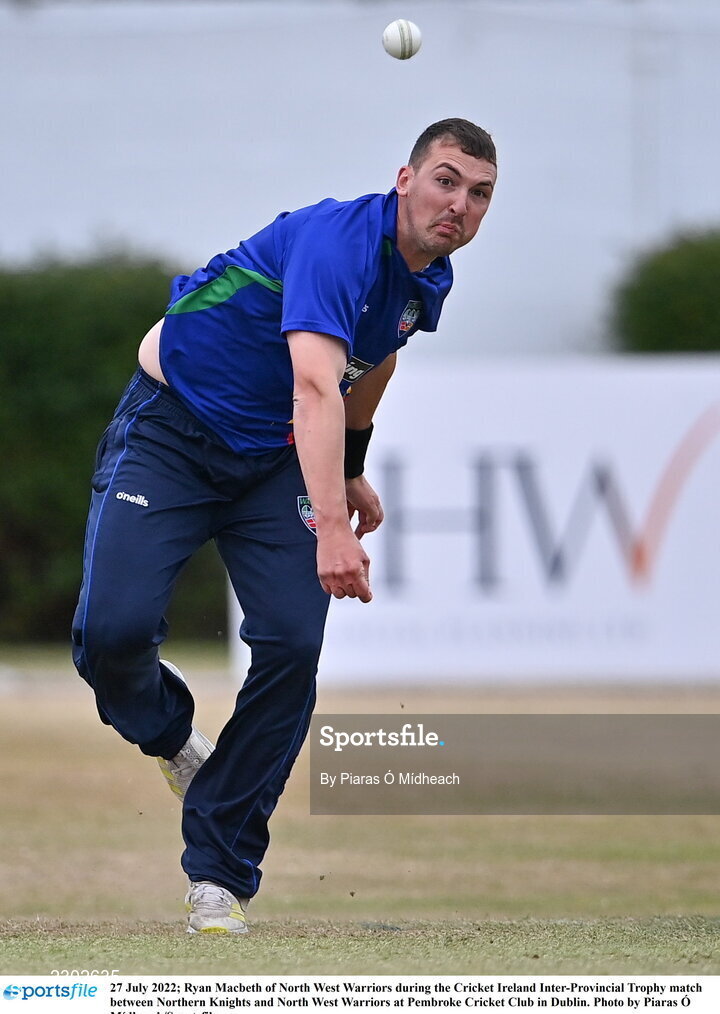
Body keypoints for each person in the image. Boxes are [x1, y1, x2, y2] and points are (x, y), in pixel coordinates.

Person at [71, 117, 497, 934]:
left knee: (293, 649)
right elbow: (314, 385)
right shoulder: (339, 241)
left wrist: (349, 465)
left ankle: (219, 878)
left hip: (275, 463)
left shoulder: (427, 275)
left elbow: (377, 358)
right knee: (112, 634)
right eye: (446, 180)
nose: (461, 204)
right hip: (173, 431)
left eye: (479, 194)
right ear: (404, 180)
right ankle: (172, 740)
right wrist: (332, 524)